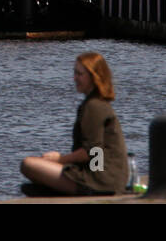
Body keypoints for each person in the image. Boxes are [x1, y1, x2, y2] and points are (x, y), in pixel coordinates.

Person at [20, 52, 129, 195]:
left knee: (28, 164)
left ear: (93, 76)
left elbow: (92, 152)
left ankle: (86, 189)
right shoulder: (98, 103)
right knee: (35, 181)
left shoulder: (94, 106)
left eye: (79, 74)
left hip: (101, 181)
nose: (74, 78)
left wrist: (59, 159)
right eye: (74, 73)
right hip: (108, 178)